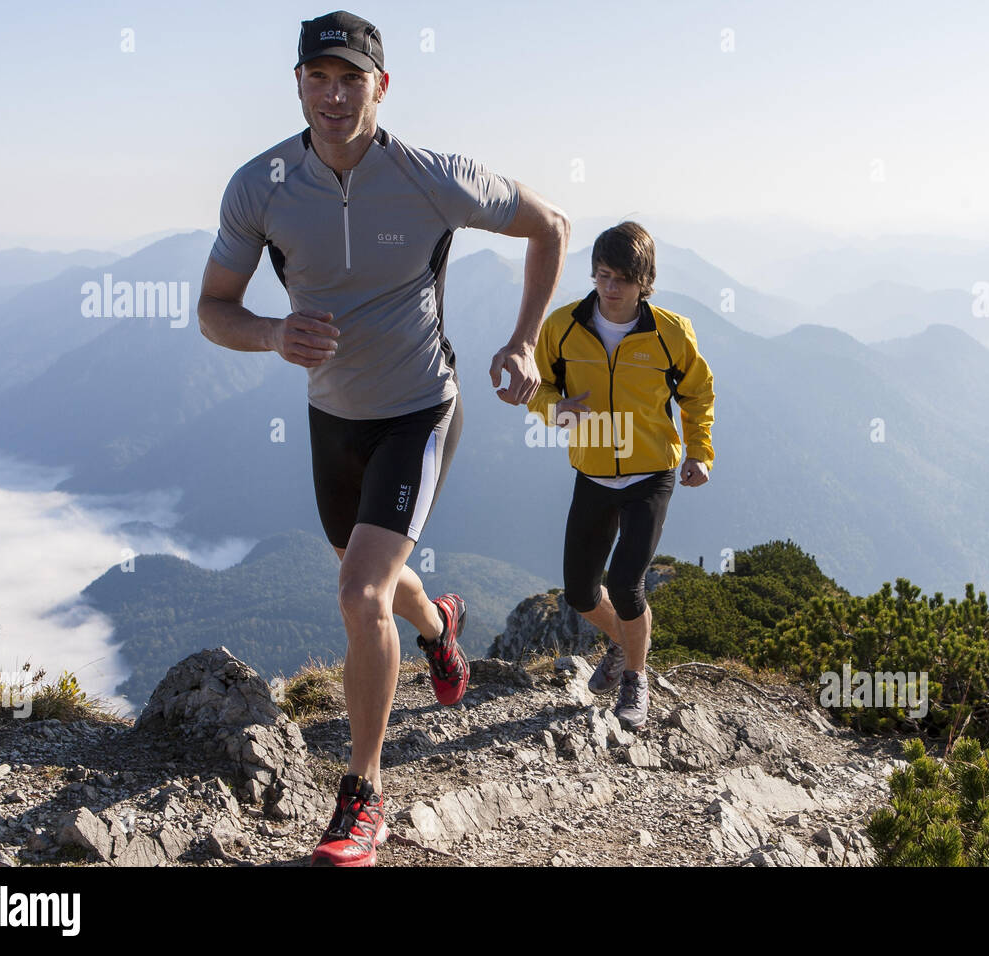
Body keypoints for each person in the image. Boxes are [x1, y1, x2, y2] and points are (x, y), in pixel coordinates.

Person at [196, 10, 569, 867]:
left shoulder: (431, 177)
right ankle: (440, 628)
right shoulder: (260, 186)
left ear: (382, 85)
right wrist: (270, 336)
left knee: (360, 594)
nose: (332, 94)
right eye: (317, 77)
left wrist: (522, 342)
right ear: (297, 84)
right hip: (334, 417)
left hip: (419, 409)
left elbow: (550, 226)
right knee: (370, 575)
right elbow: (214, 309)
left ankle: (362, 799)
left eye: (350, 77)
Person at [526, 222, 715, 730]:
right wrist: (557, 409)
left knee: (627, 582)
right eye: (603, 275)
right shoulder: (562, 327)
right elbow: (538, 387)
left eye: (624, 279)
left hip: (650, 471)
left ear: (644, 281)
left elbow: (697, 394)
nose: (611, 288)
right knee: (580, 593)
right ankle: (621, 640)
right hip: (592, 472)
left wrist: (699, 452)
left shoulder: (671, 332)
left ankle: (635, 677)